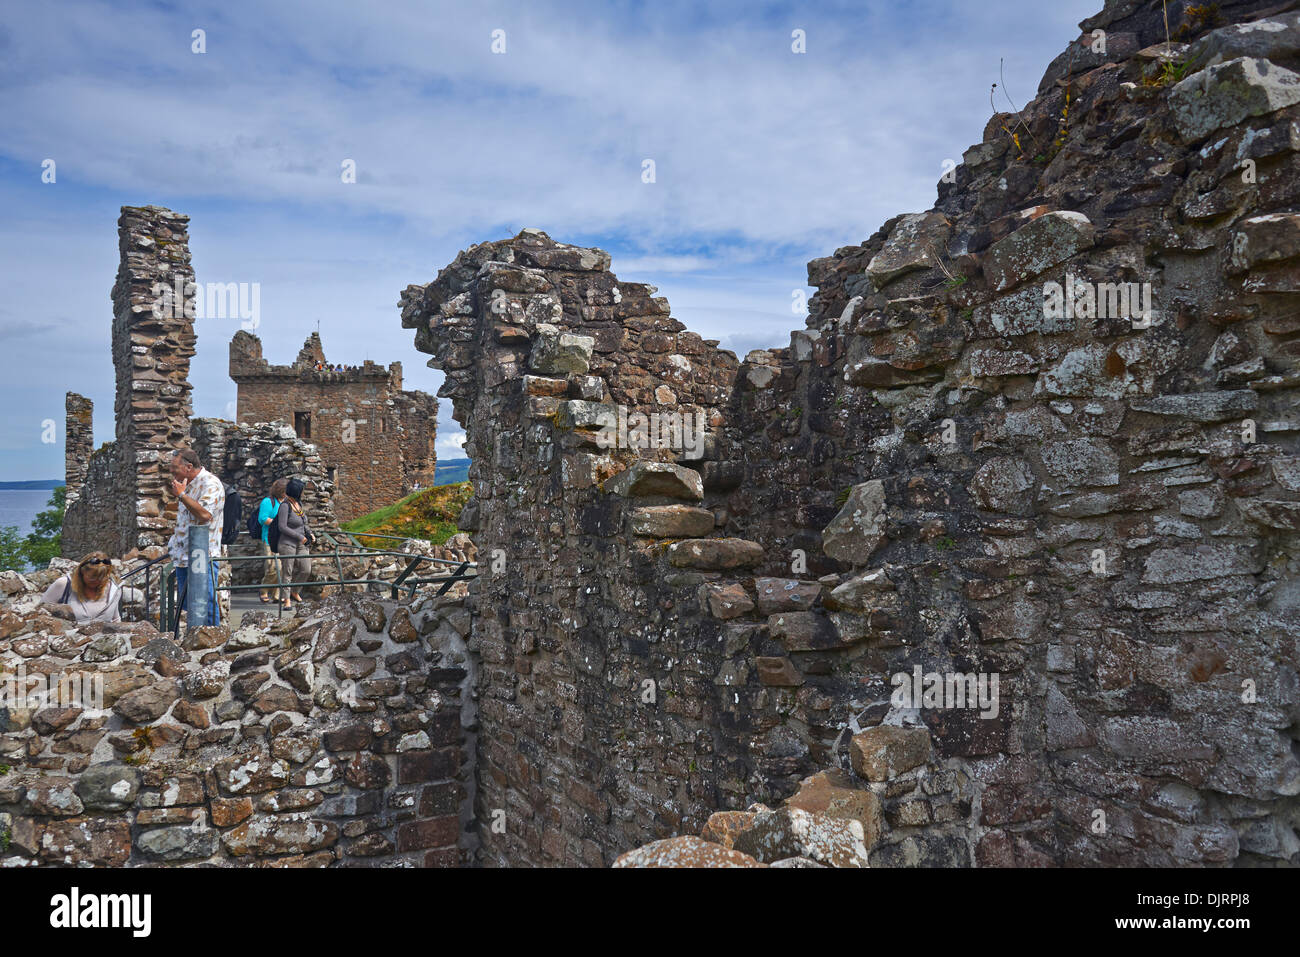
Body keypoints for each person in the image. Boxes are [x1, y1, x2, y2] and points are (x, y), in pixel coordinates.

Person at [167, 448, 225, 627]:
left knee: (205, 603)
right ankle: (194, 645)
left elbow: (205, 515)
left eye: (175, 467)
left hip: (203, 556)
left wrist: (182, 496)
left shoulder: (210, 484)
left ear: (188, 466)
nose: (172, 471)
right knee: (190, 606)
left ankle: (213, 643)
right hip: (183, 556)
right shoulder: (187, 484)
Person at [40, 552, 122, 623]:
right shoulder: (64, 585)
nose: (98, 581)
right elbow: (41, 612)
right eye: (92, 578)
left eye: (102, 577)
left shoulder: (114, 590)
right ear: (82, 572)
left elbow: (115, 620)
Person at [276, 477, 314, 610]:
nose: (303, 493)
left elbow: (304, 522)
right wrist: (299, 536)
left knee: (306, 569)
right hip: (287, 543)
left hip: (301, 543)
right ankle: (286, 600)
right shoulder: (285, 506)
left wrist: (309, 533)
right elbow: (282, 527)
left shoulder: (299, 504)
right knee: (288, 571)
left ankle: (295, 591)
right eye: (302, 490)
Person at [257, 478, 288, 602]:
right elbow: (263, 519)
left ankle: (276, 595)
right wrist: (279, 524)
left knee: (283, 567)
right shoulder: (268, 502)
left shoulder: (286, 502)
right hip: (270, 539)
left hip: (284, 539)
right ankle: (264, 589)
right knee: (274, 567)